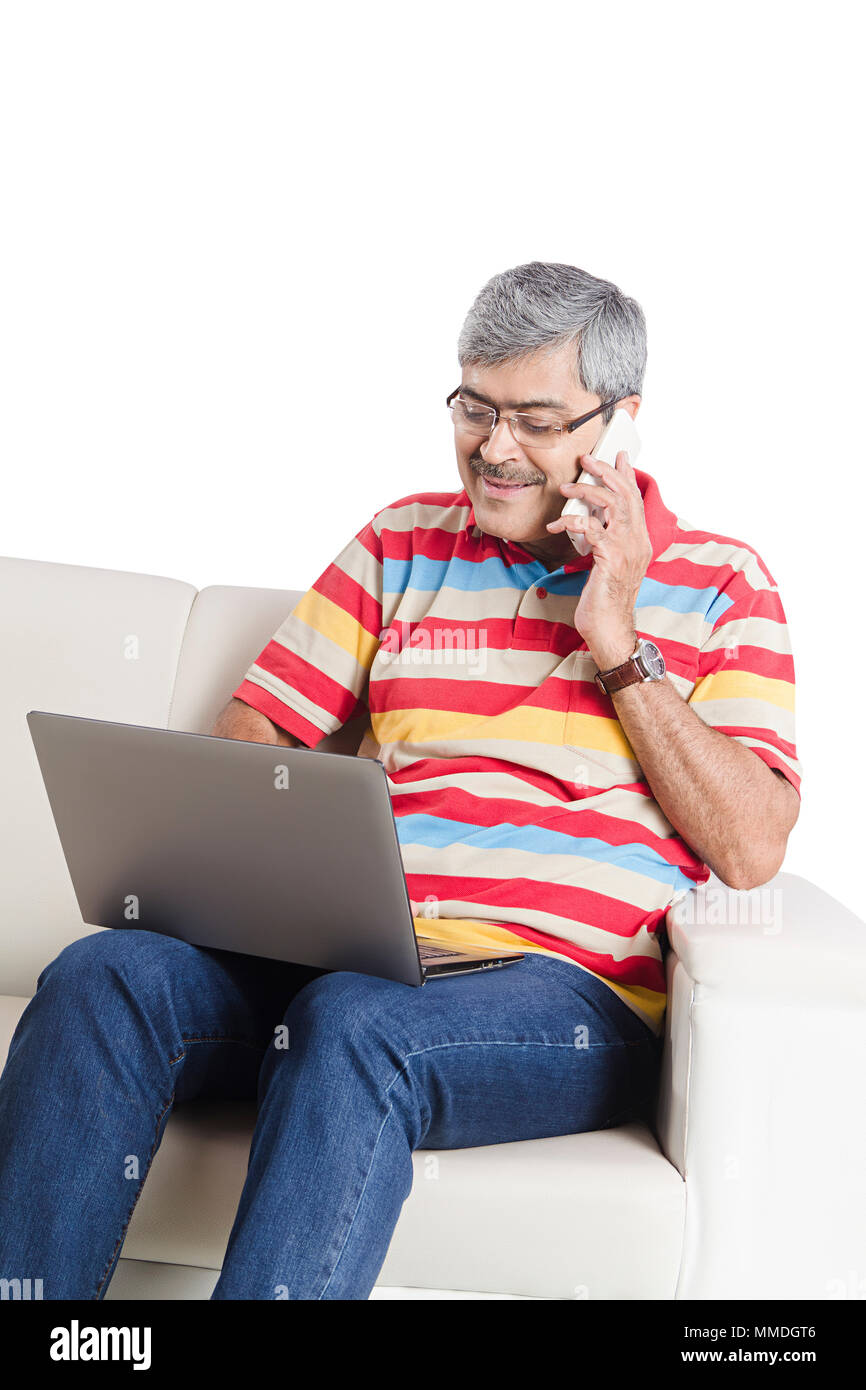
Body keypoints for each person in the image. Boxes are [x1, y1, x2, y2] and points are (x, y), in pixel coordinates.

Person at [0, 261, 801, 1300]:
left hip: (559, 994)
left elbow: (750, 844)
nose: (493, 447)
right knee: (105, 977)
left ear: (620, 423)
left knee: (351, 1022)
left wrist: (615, 640)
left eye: (535, 419)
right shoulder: (399, 542)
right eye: (473, 406)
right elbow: (254, 730)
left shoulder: (724, 584)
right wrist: (269, 849)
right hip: (356, 957)